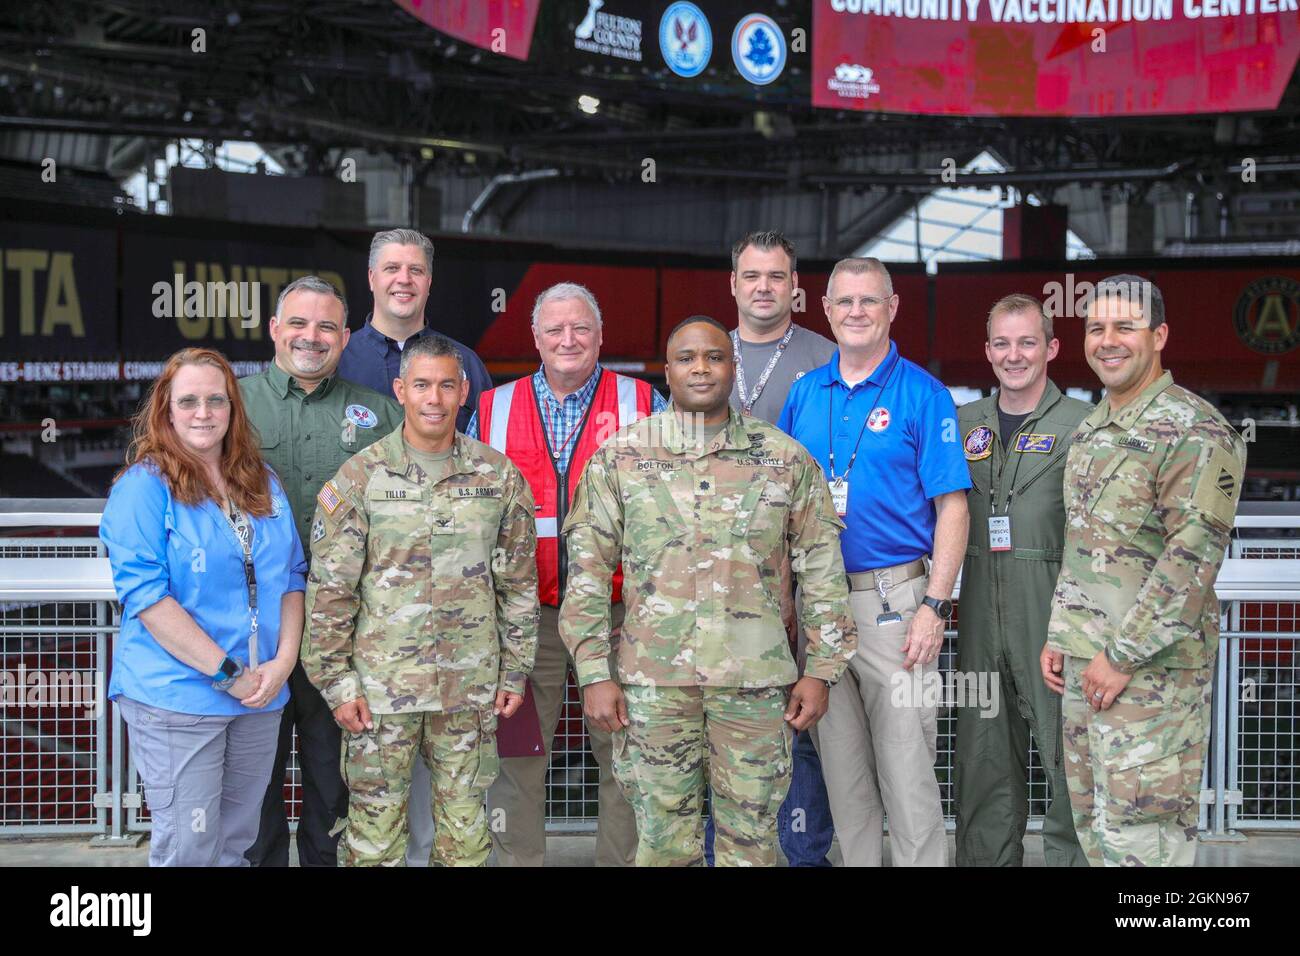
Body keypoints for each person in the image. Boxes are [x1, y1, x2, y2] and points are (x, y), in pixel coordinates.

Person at [560, 315, 856, 867]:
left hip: (753, 686)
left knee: (751, 843)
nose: (702, 368)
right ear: (667, 371)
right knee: (661, 843)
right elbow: (588, 574)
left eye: (715, 357)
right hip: (654, 689)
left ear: (733, 367)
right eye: (687, 358)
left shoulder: (784, 459)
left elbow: (820, 570)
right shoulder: (621, 458)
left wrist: (821, 670)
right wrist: (595, 673)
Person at [302, 334, 540, 866]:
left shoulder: (498, 477)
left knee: (465, 838)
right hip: (380, 694)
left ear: (463, 394)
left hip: (469, 690)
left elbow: (518, 585)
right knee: (373, 841)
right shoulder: (360, 477)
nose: (434, 398)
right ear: (401, 390)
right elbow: (330, 592)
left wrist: (515, 672)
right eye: (422, 385)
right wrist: (337, 684)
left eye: (446, 386)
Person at [1043, 274, 1245, 867]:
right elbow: (1084, 544)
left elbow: (1191, 560)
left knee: (1144, 842)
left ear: (1159, 335)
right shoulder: (1093, 427)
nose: (1108, 341)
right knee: (1097, 833)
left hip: (1148, 677)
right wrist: (1062, 634)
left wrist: (1122, 654)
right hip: (1086, 665)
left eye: (1125, 327)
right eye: (1096, 327)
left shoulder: (1197, 431)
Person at [779, 257, 970, 867]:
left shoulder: (923, 393)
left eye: (869, 301)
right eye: (844, 302)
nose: (856, 312)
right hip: (820, 607)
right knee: (845, 777)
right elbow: (779, 505)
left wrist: (935, 605)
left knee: (908, 771)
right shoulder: (805, 393)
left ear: (892, 309)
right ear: (826, 311)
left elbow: (953, 508)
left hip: (896, 604)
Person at [468, 282, 662, 867]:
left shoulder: (645, 404)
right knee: (517, 761)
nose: (568, 340)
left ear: (600, 336)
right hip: (529, 623)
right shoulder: (490, 409)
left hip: (620, 615)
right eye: (554, 330)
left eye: (580, 328)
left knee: (626, 758)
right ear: (535, 337)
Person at [101, 348, 307, 867]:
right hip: (180, 698)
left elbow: (292, 577)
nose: (203, 412)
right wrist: (225, 671)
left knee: (237, 841)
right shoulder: (143, 489)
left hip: (259, 695)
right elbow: (147, 597)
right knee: (190, 846)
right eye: (188, 400)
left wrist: (282, 663)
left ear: (233, 409)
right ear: (166, 410)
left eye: (216, 400)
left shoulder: (262, 480)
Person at [240, 275, 403, 867]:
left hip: (345, 634)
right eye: (300, 324)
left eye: (328, 326)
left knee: (334, 785)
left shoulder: (383, 415)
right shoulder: (229, 406)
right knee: (251, 783)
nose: (313, 337)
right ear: (275, 330)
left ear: (345, 336)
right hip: (251, 630)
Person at [706, 230, 839, 867]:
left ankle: (803, 856)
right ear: (733, 284)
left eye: (777, 277)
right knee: (713, 725)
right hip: (710, 581)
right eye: (752, 276)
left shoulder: (827, 359)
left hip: (800, 573)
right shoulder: (704, 353)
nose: (763, 287)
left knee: (798, 724)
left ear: (796, 288)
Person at [952, 294, 1089, 867]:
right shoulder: (962, 425)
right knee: (983, 756)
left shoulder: (1084, 425)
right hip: (979, 605)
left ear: (1052, 348)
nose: (1015, 355)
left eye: (1027, 341)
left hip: (1053, 608)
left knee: (1070, 756)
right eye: (1003, 343)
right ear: (987, 352)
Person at [337, 228, 491, 433]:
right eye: (392, 268)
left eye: (416, 270)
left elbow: (489, 452)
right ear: (372, 278)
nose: (404, 279)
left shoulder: (466, 363)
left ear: (429, 282)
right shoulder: (337, 360)